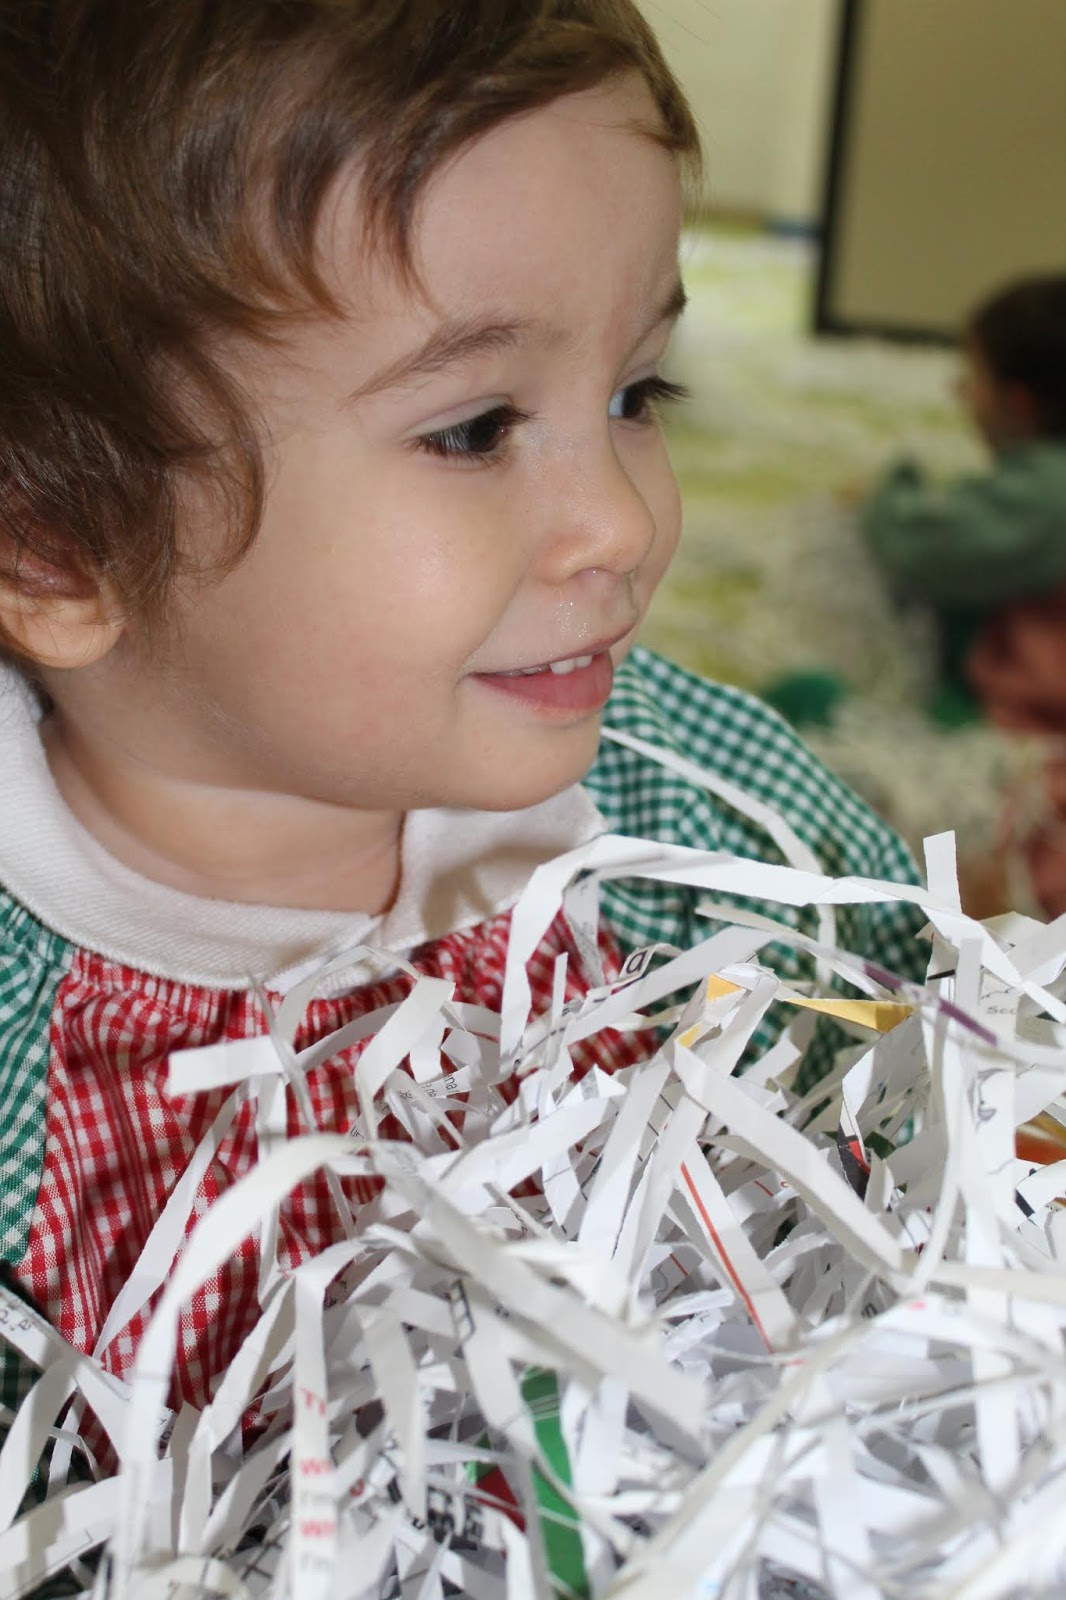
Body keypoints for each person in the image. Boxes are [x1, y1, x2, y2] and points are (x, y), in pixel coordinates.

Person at [0, 0, 924, 1451]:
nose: (623, 522)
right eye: (476, 428)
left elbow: (932, 1088)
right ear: (57, 552)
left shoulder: (703, 823)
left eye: (635, 392)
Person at [861, 275, 1066, 910]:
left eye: (970, 379)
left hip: (1031, 730)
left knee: (817, 712)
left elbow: (925, 545)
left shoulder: (1047, 494)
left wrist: (890, 490)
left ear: (1017, 401)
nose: (960, 395)